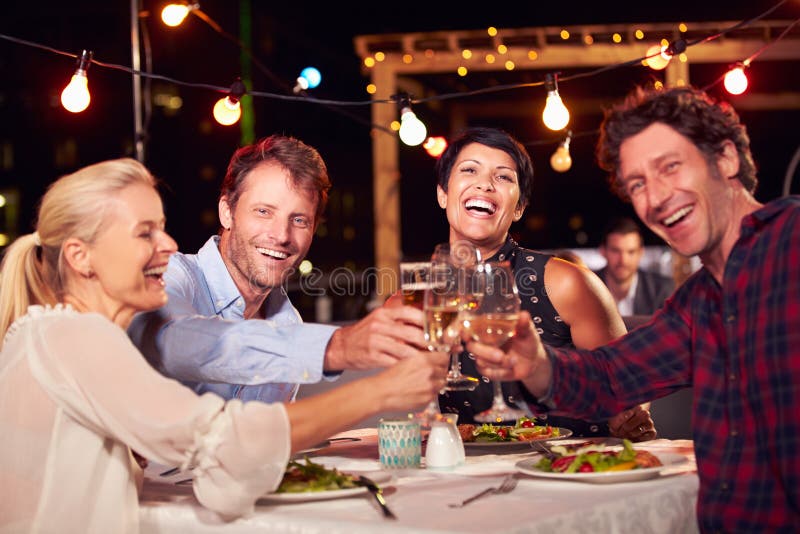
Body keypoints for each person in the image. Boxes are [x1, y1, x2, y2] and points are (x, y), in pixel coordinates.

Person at [0, 158, 447, 533]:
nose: (169, 244)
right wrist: (374, 389)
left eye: (299, 220)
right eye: (145, 233)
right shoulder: (74, 337)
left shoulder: (66, 335)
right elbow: (206, 400)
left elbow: (226, 480)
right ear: (80, 257)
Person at [465, 86, 800, 531]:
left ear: (725, 160)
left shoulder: (792, 242)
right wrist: (536, 363)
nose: (655, 197)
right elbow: (611, 377)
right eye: (638, 184)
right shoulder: (699, 301)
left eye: (670, 167)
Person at [128, 135, 427, 403]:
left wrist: (388, 340)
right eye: (263, 212)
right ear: (227, 212)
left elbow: (262, 445)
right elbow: (173, 341)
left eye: (299, 220)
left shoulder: (288, 323)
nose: (281, 235)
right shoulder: (173, 276)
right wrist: (338, 347)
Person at [433, 126, 655, 441]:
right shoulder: (422, 299)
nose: (484, 184)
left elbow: (628, 383)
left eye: (503, 177)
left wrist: (630, 414)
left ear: (520, 207)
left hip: (568, 471)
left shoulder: (566, 282)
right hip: (467, 476)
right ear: (443, 193)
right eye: (470, 170)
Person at [594, 215, 674, 316]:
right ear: (603, 251)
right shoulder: (586, 288)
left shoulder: (662, 289)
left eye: (631, 252)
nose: (623, 260)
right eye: (615, 251)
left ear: (640, 253)